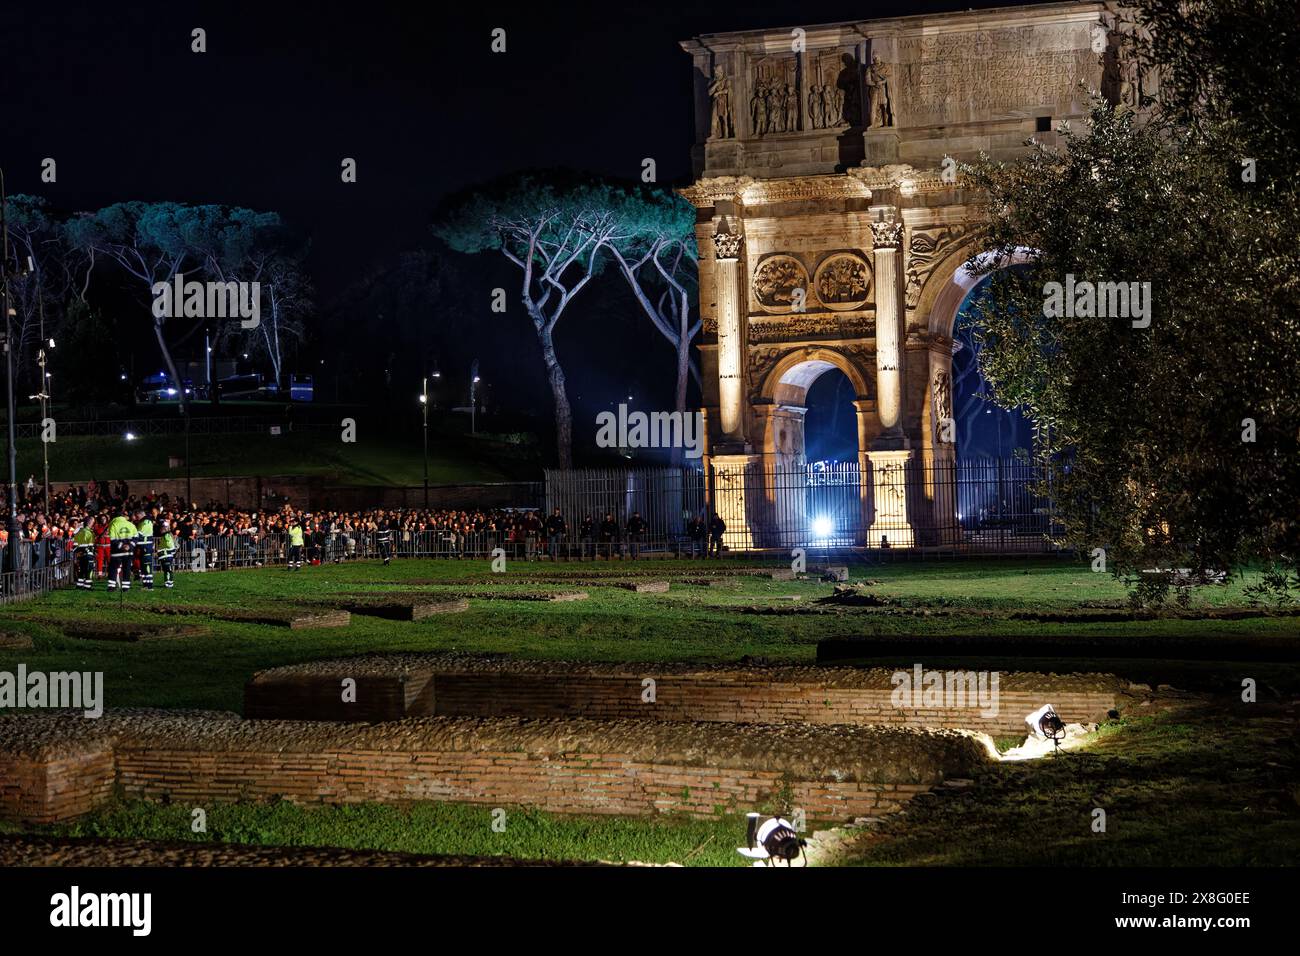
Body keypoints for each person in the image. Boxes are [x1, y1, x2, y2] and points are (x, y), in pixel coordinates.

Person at [106, 508, 138, 590]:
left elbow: (112, 539)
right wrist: (129, 546)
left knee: (113, 569)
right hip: (128, 552)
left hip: (116, 552)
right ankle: (125, 587)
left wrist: (121, 546)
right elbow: (136, 537)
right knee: (127, 569)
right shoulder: (131, 525)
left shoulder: (113, 524)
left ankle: (111, 587)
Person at [134, 509, 155, 590]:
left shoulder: (147, 522)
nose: (136, 518)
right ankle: (145, 585)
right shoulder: (142, 522)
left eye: (137, 516)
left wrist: (131, 535)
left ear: (141, 514)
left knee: (147, 566)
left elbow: (140, 533)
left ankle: (149, 586)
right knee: (143, 567)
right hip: (143, 547)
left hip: (146, 547)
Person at [72, 520, 95, 590]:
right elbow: (91, 545)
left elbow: (75, 545)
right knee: (88, 570)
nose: (92, 525)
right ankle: (87, 586)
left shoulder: (78, 533)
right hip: (88, 554)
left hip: (80, 555)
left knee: (81, 570)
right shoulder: (89, 533)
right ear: (89, 523)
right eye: (92, 523)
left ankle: (79, 585)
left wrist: (79, 552)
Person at [157, 520, 178, 589]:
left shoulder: (166, 535)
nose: (160, 529)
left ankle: (169, 584)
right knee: (166, 570)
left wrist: (172, 551)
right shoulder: (165, 536)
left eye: (162, 528)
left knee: (168, 570)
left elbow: (170, 545)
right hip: (164, 556)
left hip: (166, 555)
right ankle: (167, 583)